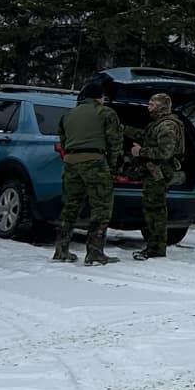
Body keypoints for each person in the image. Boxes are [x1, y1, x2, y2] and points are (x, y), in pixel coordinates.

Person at [53, 79, 124, 265]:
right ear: (100, 97)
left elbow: (63, 139)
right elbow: (114, 141)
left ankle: (61, 250)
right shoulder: (105, 112)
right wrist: (112, 165)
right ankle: (95, 252)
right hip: (95, 162)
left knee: (70, 206)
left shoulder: (69, 114)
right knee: (101, 207)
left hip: (71, 163)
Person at [128, 91, 183, 260]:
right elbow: (144, 136)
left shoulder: (167, 126)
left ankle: (156, 248)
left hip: (158, 173)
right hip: (154, 172)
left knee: (156, 211)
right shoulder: (157, 124)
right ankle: (154, 245)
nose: (148, 107)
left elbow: (164, 152)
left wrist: (140, 152)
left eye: (152, 105)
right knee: (152, 209)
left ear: (161, 107)